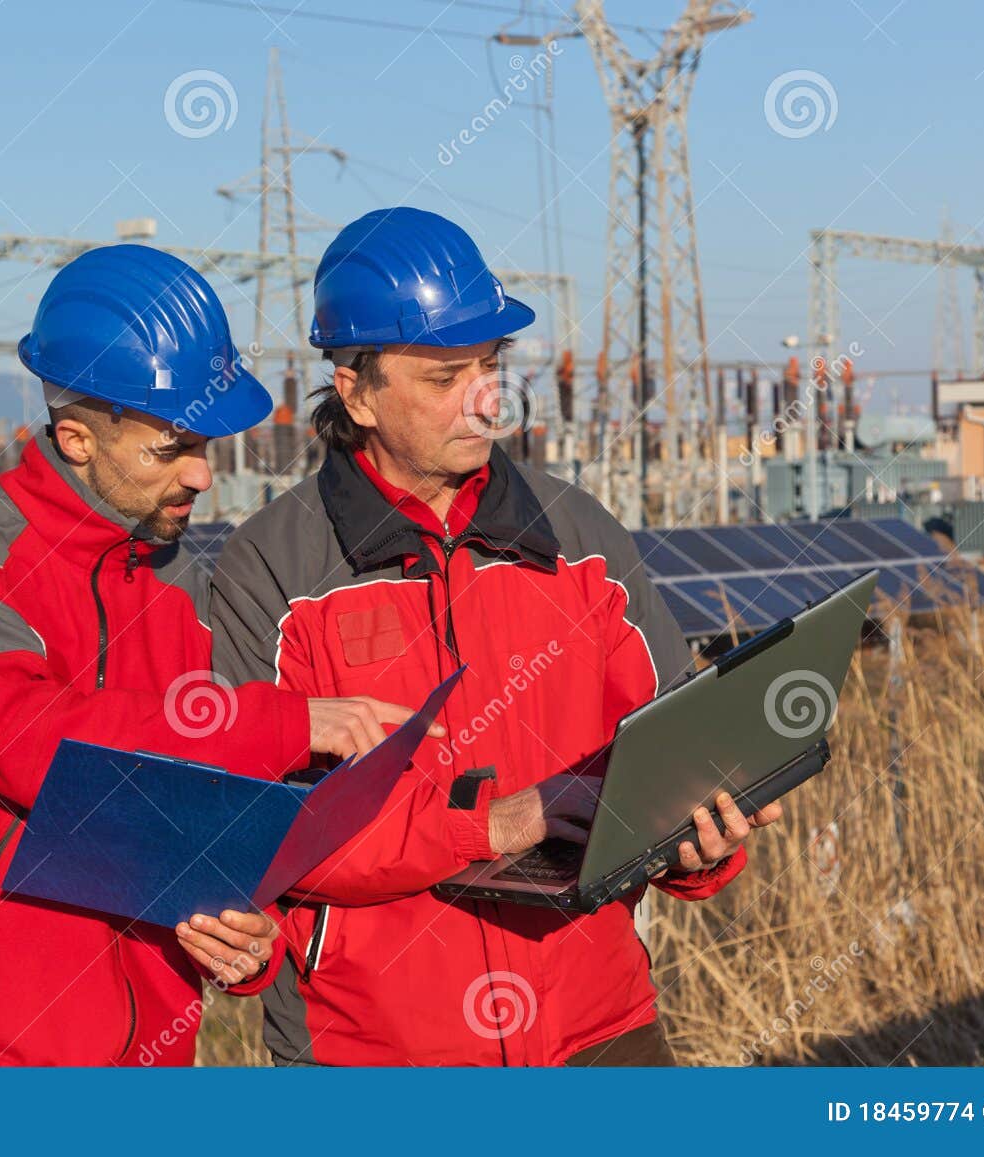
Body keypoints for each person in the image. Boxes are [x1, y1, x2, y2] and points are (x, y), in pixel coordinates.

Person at [210, 207, 782, 1067]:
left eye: (491, 365)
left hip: (602, 1032)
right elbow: (265, 836)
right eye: (445, 376)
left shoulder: (581, 537)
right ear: (356, 390)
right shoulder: (272, 573)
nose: (485, 399)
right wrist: (498, 823)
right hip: (375, 1055)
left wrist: (700, 844)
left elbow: (666, 752)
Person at [0, 244, 433, 1066]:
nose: (203, 475)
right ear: (77, 436)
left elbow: (211, 810)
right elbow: (33, 747)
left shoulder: (182, 586)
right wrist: (287, 722)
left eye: (210, 445)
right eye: (174, 448)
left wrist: (245, 940)